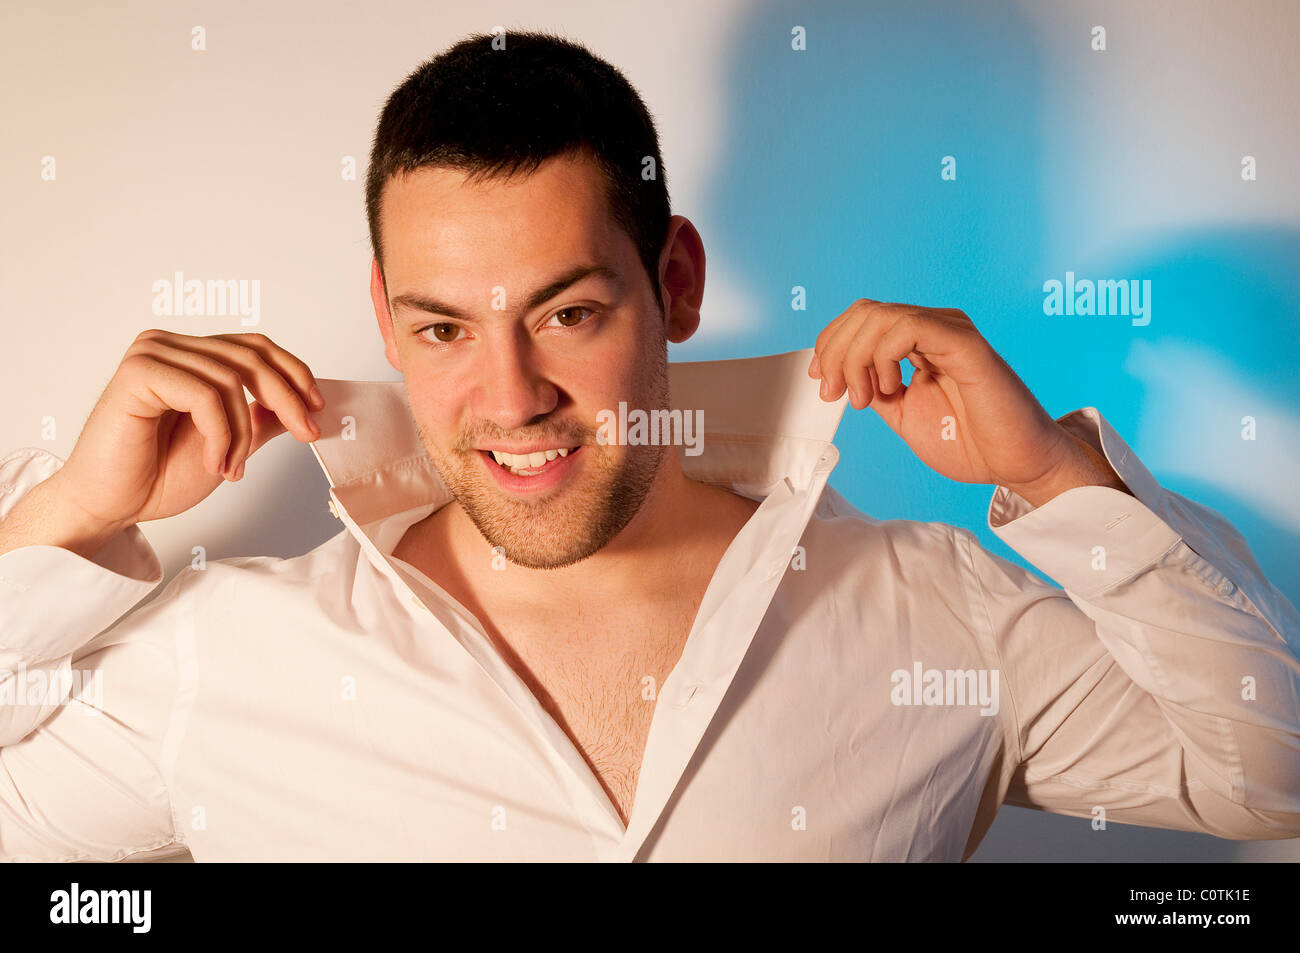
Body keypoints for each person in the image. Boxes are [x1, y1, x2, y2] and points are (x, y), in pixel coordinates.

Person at [1, 30, 1296, 862]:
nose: (510, 398)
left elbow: (1270, 779)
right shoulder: (226, 659)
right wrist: (63, 517)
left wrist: (1053, 478)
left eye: (568, 312)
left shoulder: (934, 616)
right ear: (388, 322)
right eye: (445, 325)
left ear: (673, 281)